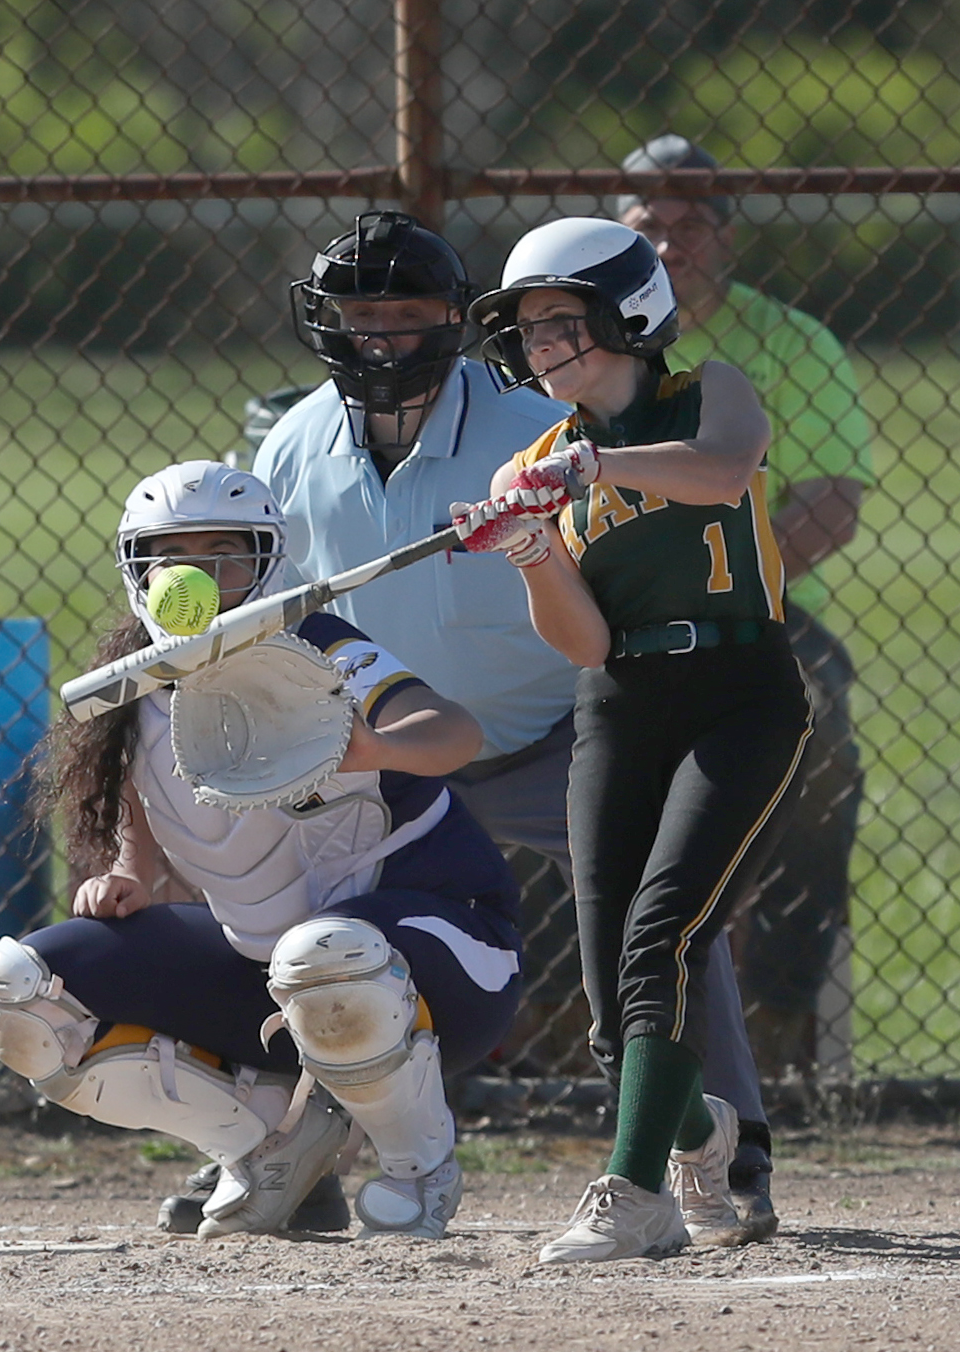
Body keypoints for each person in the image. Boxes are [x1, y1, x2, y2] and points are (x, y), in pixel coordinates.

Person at [253, 209, 782, 1234]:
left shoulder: (531, 419)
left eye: (408, 312)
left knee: (665, 918)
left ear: (452, 320)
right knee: (289, 914)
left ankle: (733, 1146)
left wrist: (548, 519)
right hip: (393, 754)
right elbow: (282, 606)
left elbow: (687, 490)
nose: (384, 336)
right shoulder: (294, 444)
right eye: (362, 316)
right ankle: (288, 1146)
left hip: (551, 736)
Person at [0, 459, 522, 1242]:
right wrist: (131, 872)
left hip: (447, 958)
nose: (198, 576)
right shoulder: (135, 677)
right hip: (268, 969)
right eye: (173, 556)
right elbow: (145, 786)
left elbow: (455, 733)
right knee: (24, 989)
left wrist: (370, 747)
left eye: (224, 553)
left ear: (267, 560)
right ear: (138, 569)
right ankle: (268, 1153)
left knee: (325, 952)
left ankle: (418, 1166)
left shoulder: (321, 648)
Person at [459, 217, 813, 1263]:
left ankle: (635, 1190)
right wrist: (528, 546)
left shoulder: (708, 391)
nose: (539, 344)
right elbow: (586, 640)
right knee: (614, 980)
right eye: (526, 330)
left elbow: (723, 469)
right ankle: (700, 1136)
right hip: (618, 703)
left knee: (664, 931)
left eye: (559, 320)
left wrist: (596, 467)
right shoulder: (535, 464)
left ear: (629, 313)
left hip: (739, 689)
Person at [616, 135, 874, 1077]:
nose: (671, 242)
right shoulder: (581, 341)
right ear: (618, 233)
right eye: (649, 221)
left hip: (760, 607)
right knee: (525, 724)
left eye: (693, 223)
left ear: (727, 237)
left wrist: (712, 579)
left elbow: (832, 504)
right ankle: (555, 1009)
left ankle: (776, 1008)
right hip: (607, 611)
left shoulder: (791, 345)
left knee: (821, 734)